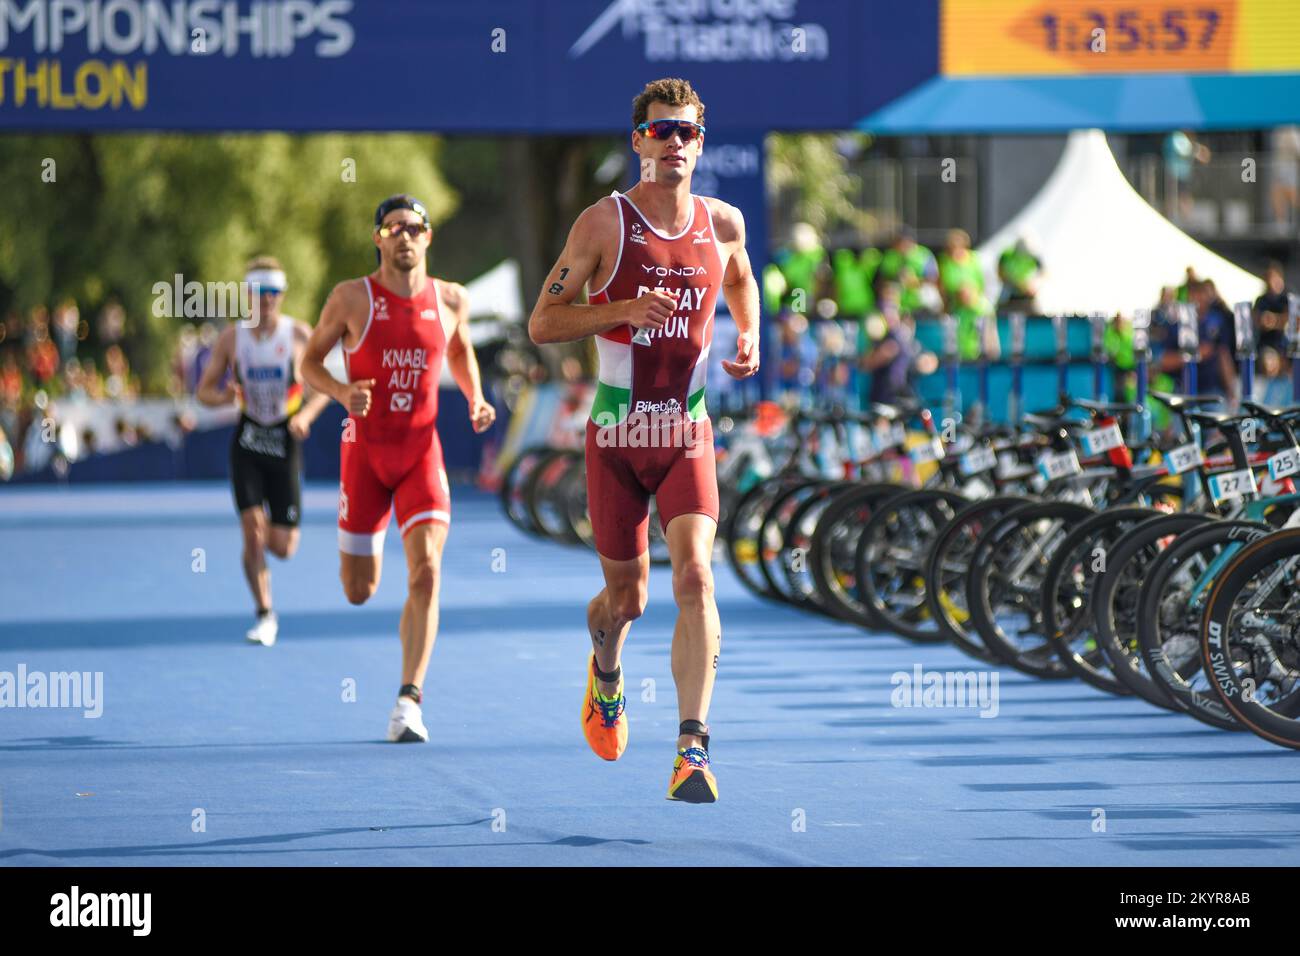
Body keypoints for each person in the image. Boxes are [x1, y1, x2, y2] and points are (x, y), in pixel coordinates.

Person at [528, 77, 760, 803]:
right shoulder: (604, 225)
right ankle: (605, 672)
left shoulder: (722, 223)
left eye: (686, 132)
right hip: (618, 437)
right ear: (637, 141)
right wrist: (622, 307)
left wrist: (748, 331)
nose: (673, 144)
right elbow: (542, 322)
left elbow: (743, 280)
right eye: (660, 131)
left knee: (695, 576)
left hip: (686, 431)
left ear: (700, 142)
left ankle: (692, 749)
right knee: (625, 601)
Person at [301, 195, 496, 743]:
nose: (404, 236)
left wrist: (475, 397)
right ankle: (373, 537)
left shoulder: (452, 298)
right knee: (359, 590)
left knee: (428, 570)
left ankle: (408, 700)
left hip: (419, 453)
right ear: (378, 239)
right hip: (364, 453)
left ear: (428, 237)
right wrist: (342, 392)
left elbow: (460, 351)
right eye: (393, 228)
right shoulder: (351, 299)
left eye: (414, 227)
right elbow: (307, 362)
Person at [196, 256, 332, 646]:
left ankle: (265, 556)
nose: (267, 300)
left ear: (282, 295)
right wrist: (223, 395)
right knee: (253, 533)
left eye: (273, 293)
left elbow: (324, 388)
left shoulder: (298, 335)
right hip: (248, 441)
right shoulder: (231, 339)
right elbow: (203, 392)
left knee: (283, 546)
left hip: (285, 441)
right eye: (259, 293)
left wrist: (305, 414)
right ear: (248, 295)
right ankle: (264, 613)